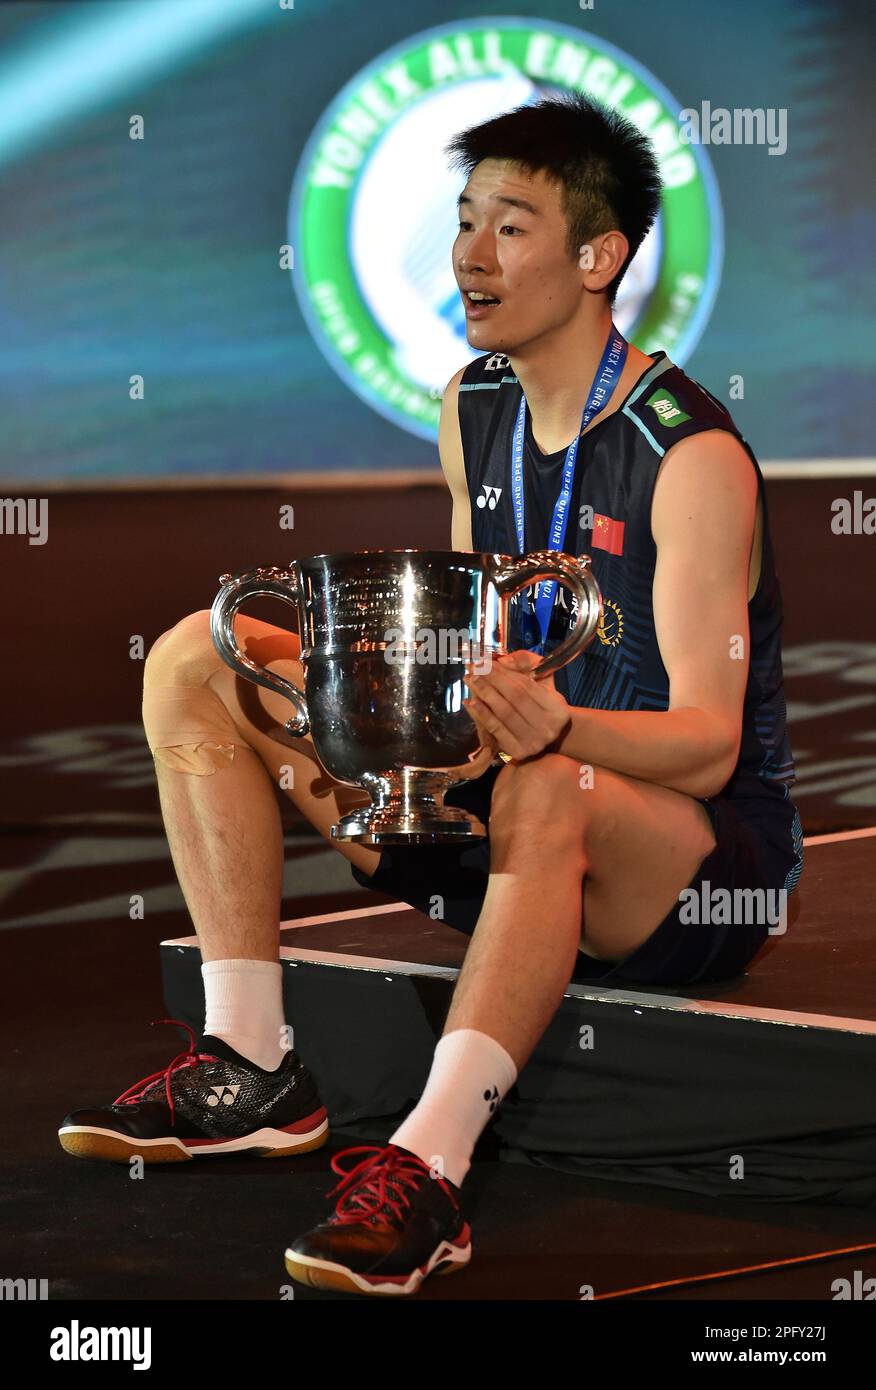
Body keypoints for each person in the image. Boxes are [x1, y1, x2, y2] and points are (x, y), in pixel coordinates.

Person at [59, 95, 803, 1298]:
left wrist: (553, 731)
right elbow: (477, 634)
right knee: (197, 657)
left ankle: (429, 1166)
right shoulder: (476, 405)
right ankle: (252, 1060)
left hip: (694, 869)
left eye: (511, 227)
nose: (468, 253)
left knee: (554, 782)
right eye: (464, 222)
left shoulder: (690, 454)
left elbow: (712, 748)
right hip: (515, 793)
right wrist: (427, 733)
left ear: (599, 256)